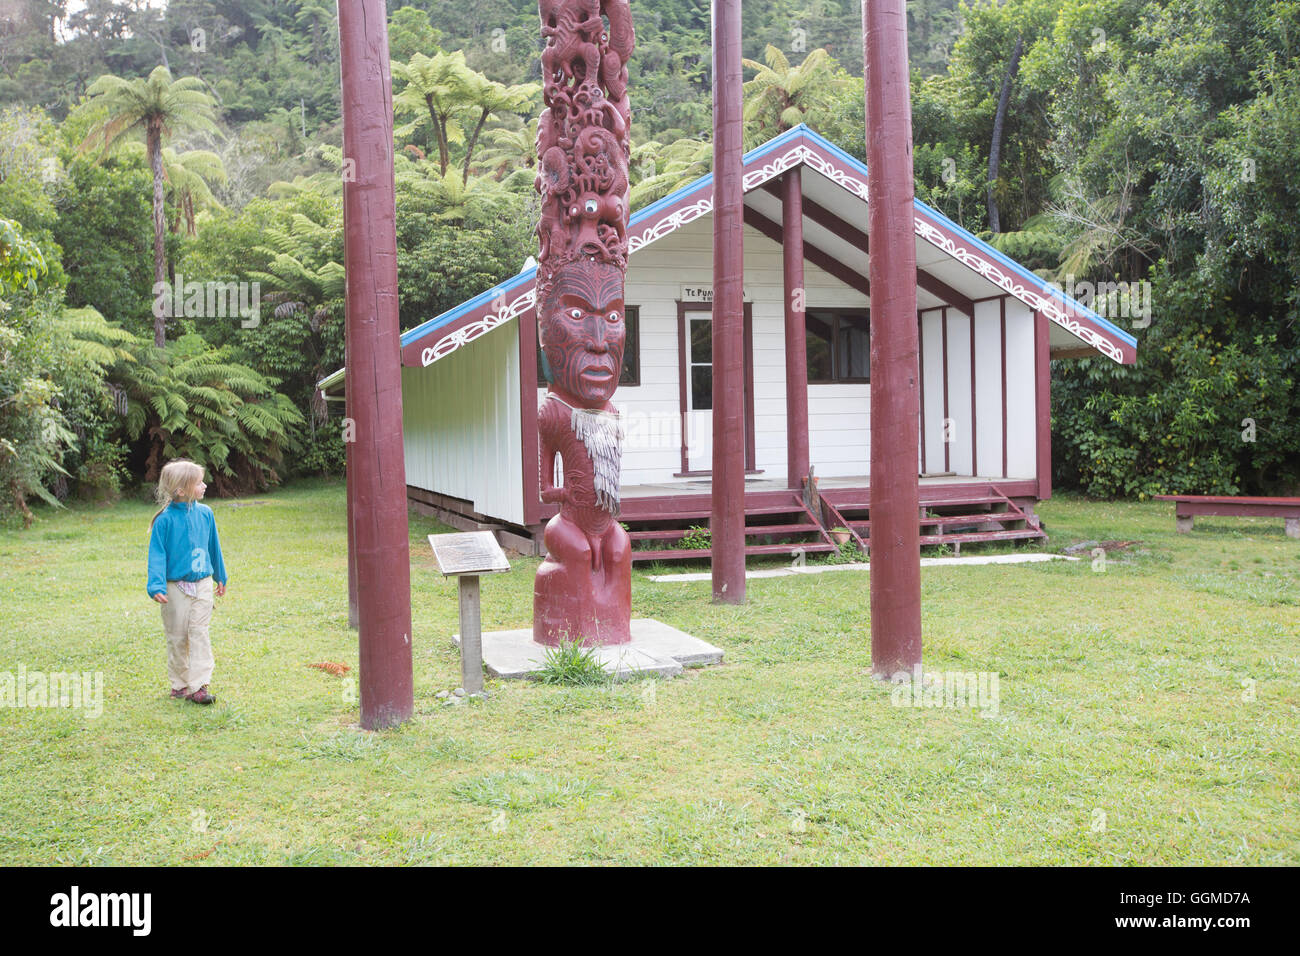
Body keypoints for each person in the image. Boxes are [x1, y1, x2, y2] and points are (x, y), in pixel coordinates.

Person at [146, 460, 228, 705]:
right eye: (198, 482)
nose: (204, 485)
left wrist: (220, 576)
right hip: (175, 589)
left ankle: (200, 685)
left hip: (202, 584)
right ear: (181, 490)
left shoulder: (206, 514)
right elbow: (157, 555)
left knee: (199, 633)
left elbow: (213, 545)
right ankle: (180, 685)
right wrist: (156, 586)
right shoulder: (164, 521)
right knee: (177, 636)